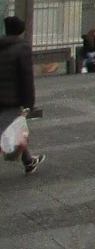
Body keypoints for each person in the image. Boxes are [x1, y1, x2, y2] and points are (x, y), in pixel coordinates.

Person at [0, 16, 44, 174]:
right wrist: (29, 102)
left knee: (14, 130)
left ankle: (29, 161)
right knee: (6, 132)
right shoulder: (22, 48)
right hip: (11, 99)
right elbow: (26, 77)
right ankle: (29, 161)